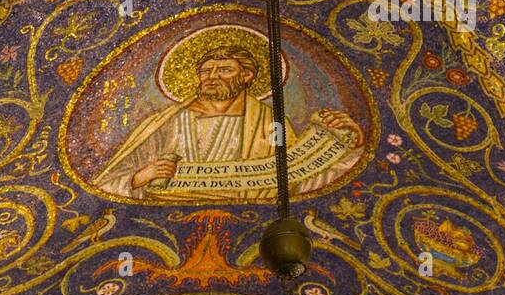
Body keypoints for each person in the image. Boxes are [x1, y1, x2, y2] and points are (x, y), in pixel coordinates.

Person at [94, 41, 363, 201]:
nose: (212, 76)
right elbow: (105, 184)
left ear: (246, 76)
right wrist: (142, 176)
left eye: (224, 70)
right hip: (167, 210)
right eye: (206, 71)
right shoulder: (167, 122)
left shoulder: (270, 121)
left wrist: (348, 142)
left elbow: (296, 178)